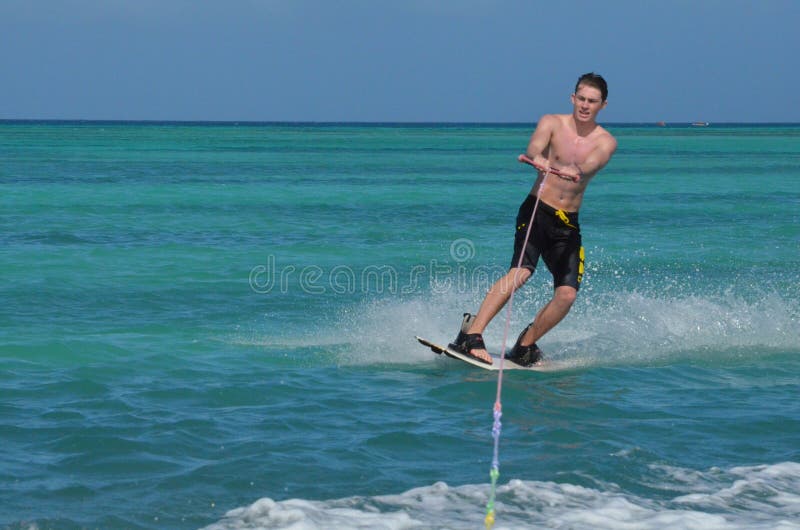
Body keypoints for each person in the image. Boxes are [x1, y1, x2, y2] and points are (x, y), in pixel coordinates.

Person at [450, 72, 618, 366]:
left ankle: (525, 345)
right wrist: (538, 159)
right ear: (573, 98)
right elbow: (533, 148)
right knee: (521, 273)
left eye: (592, 101)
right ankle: (472, 335)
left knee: (566, 296)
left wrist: (576, 171)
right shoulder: (551, 122)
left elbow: (591, 164)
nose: (585, 105)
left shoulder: (606, 141)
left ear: (603, 105)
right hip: (537, 210)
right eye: (581, 98)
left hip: (568, 224)